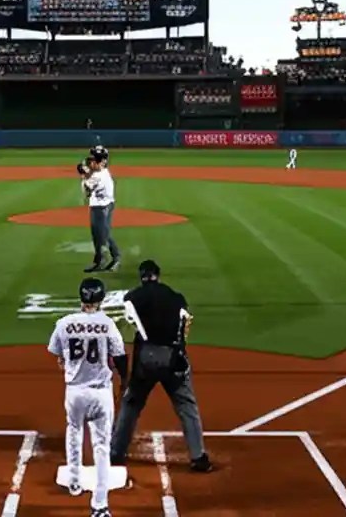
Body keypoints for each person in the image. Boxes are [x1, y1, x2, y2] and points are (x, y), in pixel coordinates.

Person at [111, 259, 212, 473]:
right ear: (159, 275)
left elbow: (129, 313)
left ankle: (116, 452)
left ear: (142, 276)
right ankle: (198, 456)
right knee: (186, 406)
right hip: (173, 357)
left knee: (132, 404)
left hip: (147, 358)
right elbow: (184, 327)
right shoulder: (177, 298)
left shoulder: (134, 296)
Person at [48, 277, 128, 517]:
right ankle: (100, 505)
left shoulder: (64, 323)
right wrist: (124, 382)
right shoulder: (108, 323)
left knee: (73, 431)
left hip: (74, 391)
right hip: (101, 391)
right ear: (101, 299)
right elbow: (120, 356)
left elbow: (58, 357)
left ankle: (74, 481)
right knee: (102, 446)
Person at [82, 146, 120, 273]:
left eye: (95, 159)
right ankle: (99, 261)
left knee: (104, 234)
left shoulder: (99, 176)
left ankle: (115, 258)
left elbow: (87, 191)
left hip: (103, 207)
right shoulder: (100, 173)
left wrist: (84, 174)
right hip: (98, 205)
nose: (92, 162)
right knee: (97, 235)